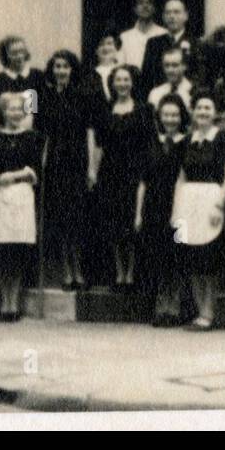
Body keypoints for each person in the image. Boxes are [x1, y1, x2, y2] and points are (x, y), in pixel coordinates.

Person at [172, 90, 225, 331]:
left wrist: (220, 203)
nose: (203, 112)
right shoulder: (186, 141)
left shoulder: (222, 139)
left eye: (207, 108)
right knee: (191, 259)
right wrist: (176, 211)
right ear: (193, 112)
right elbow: (180, 176)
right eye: (199, 108)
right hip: (188, 203)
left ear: (214, 113)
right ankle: (200, 312)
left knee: (209, 261)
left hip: (211, 201)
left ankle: (209, 314)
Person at [87, 65, 154, 289]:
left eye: (126, 80)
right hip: (110, 171)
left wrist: (146, 171)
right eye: (118, 80)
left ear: (132, 82)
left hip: (134, 170)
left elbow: (149, 143)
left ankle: (132, 273)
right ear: (112, 83)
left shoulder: (144, 109)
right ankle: (119, 273)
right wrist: (93, 171)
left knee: (132, 222)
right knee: (114, 223)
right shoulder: (105, 111)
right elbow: (99, 144)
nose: (122, 84)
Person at [0, 92, 43, 322]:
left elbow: (35, 167)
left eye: (20, 109)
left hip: (22, 193)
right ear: (2, 112)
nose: (15, 113)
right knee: (3, 248)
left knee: (18, 249)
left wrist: (14, 175)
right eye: (11, 109)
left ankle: (14, 303)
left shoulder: (32, 137)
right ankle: (3, 302)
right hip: (0, 193)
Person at [38, 49, 90, 291]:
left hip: (77, 162)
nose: (61, 71)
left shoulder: (81, 95)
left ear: (72, 69)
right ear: (52, 69)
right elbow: (34, 128)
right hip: (54, 164)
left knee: (76, 218)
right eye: (57, 66)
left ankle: (78, 268)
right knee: (58, 218)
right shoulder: (41, 95)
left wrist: (90, 169)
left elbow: (89, 133)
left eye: (66, 66)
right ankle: (65, 271)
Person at [135, 93, 188, 327]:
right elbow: (142, 182)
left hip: (179, 207)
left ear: (181, 116)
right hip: (154, 206)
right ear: (159, 116)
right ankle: (160, 307)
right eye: (166, 114)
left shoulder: (187, 143)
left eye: (175, 114)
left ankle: (174, 307)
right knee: (156, 255)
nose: (170, 118)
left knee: (176, 255)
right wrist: (138, 213)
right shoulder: (149, 143)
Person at [0, 35, 44, 129]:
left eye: (22, 51)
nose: (19, 56)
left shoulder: (37, 75)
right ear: (5, 56)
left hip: (34, 132)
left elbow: (43, 108)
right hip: (6, 133)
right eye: (14, 53)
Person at [141, 0, 193, 93]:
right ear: (163, 17)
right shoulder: (153, 44)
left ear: (186, 16)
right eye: (168, 13)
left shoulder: (195, 44)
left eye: (176, 12)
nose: (172, 16)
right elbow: (146, 79)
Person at [119, 0, 165, 72]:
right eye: (141, 2)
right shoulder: (125, 37)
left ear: (154, 8)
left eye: (149, 2)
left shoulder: (163, 33)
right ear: (135, 9)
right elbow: (120, 65)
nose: (145, 6)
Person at [147, 46, 193, 111]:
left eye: (175, 65)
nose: (170, 70)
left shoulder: (192, 92)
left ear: (184, 66)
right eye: (167, 65)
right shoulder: (155, 93)